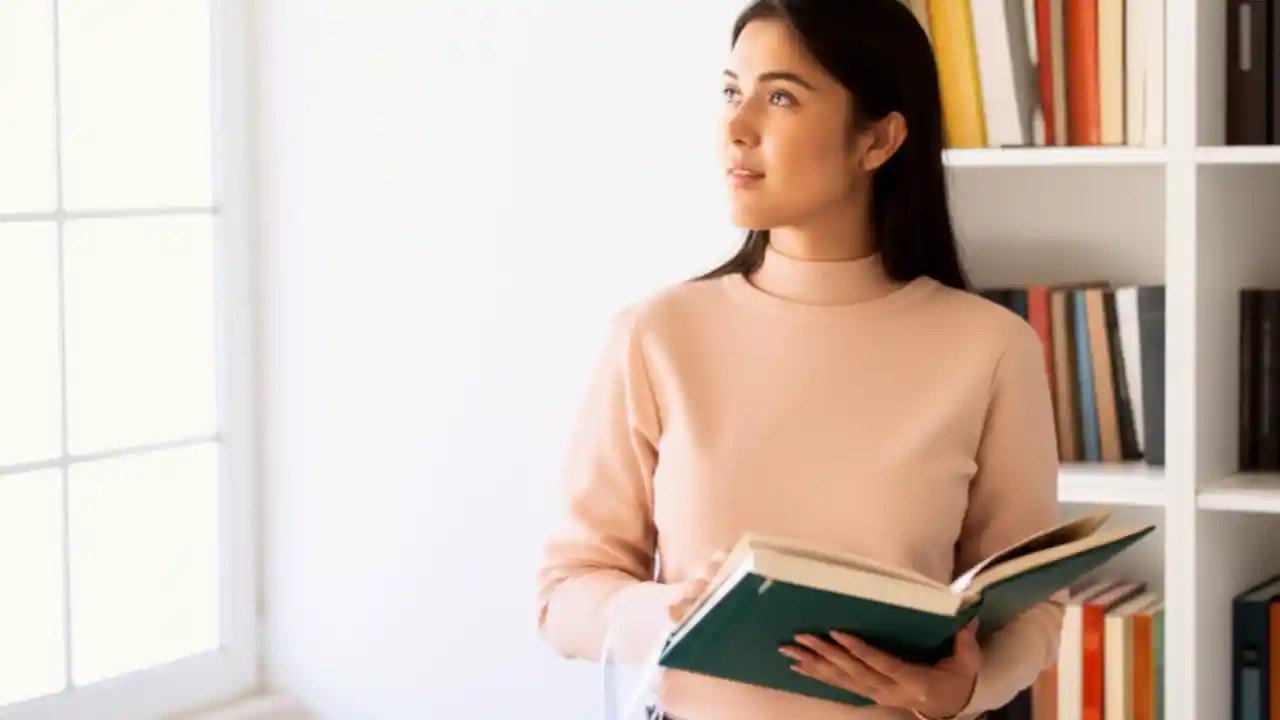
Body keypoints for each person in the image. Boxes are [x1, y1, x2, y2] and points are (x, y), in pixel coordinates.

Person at [534, 1, 1064, 718]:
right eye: (730, 91)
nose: (736, 125)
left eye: (779, 96)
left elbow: (1033, 607)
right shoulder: (655, 336)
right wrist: (673, 612)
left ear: (877, 140)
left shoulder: (990, 348)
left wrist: (965, 689)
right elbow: (565, 592)